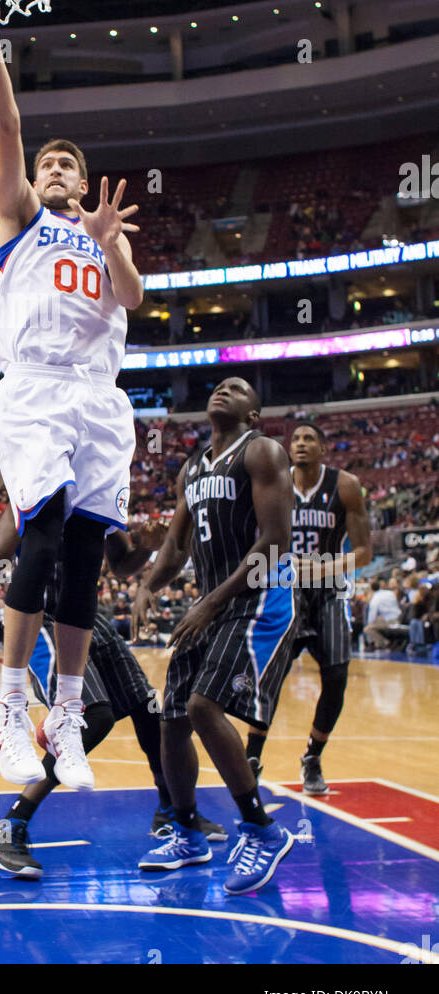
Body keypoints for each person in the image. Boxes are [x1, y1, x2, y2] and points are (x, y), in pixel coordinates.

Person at [0, 0, 143, 793]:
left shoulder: (106, 235)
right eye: (47, 166)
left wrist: (111, 244)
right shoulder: (21, 221)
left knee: (84, 558)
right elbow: (6, 126)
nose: (55, 172)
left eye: (66, 166)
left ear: (84, 180)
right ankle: (10, 705)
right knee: (38, 536)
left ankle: (66, 717)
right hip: (37, 390)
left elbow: (134, 301)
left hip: (99, 398)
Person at [0, 508, 225, 877]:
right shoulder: (32, 496)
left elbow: (122, 565)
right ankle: (7, 829)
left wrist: (146, 547)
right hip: (41, 622)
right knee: (93, 716)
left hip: (87, 621)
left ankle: (171, 813)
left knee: (148, 709)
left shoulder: (96, 495)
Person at [131, 376, 297, 896]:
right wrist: (147, 586)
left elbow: (274, 542)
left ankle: (261, 829)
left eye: (238, 387)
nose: (223, 390)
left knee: (204, 707)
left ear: (253, 415)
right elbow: (177, 546)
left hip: (257, 597)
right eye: (219, 386)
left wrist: (208, 603)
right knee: (172, 718)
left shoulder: (264, 451)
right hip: (212, 602)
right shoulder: (193, 468)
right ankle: (186, 831)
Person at [246, 423, 372, 795]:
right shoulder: (275, 483)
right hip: (286, 592)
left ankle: (313, 756)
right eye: (296, 439)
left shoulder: (345, 485)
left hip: (330, 591)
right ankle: (251, 757)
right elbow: (255, 538)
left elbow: (365, 552)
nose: (300, 444)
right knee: (269, 678)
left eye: (308, 439)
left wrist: (323, 568)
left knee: (336, 679)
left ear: (322, 447)